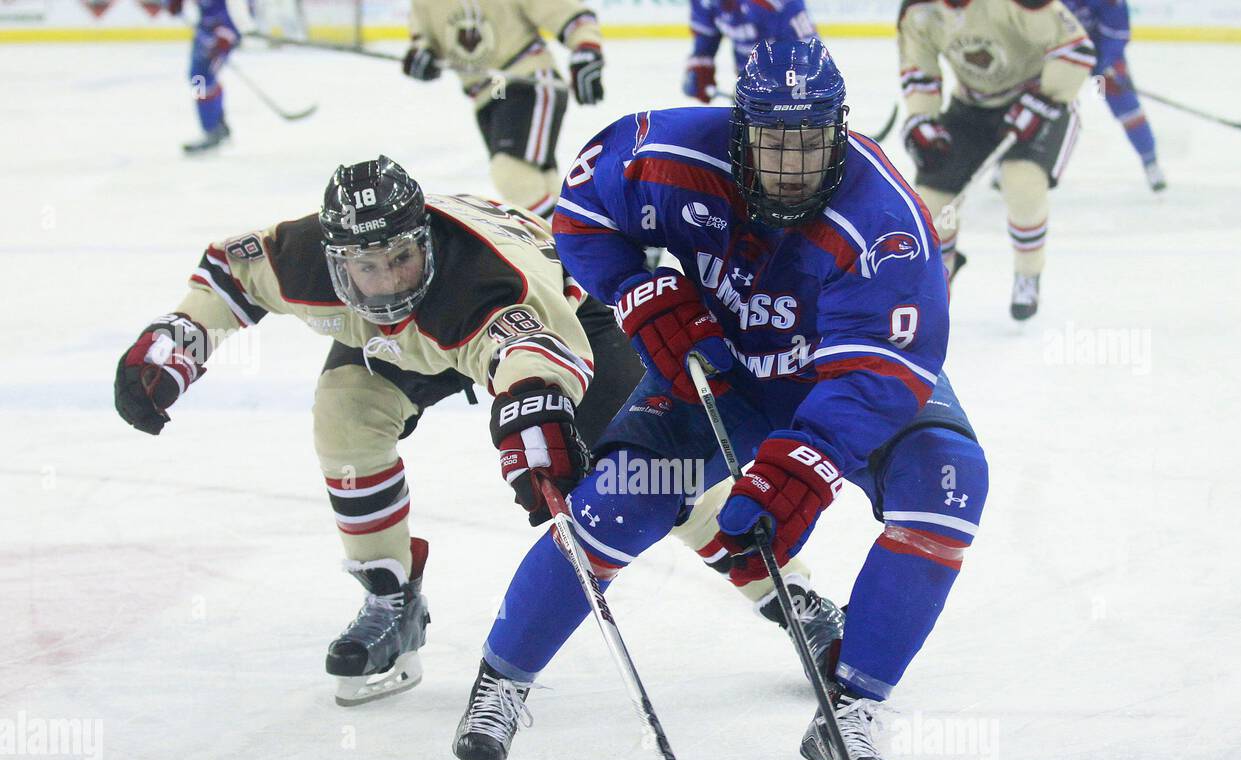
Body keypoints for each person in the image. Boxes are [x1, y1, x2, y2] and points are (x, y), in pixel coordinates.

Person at [455, 40, 989, 760]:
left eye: (811, 143)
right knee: (616, 503)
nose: (792, 165)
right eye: (775, 142)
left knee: (946, 484)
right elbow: (579, 211)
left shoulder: (886, 222)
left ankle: (853, 706)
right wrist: (637, 291)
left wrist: (805, 465)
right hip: (723, 373)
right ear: (741, 131)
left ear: (838, 131)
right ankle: (502, 678)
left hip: (840, 386)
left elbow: (881, 372)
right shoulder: (668, 152)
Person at [113, 157, 838, 705]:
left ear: (424, 239)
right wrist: (180, 337)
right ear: (337, 262)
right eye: (367, 266)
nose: (389, 278)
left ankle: (788, 592)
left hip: (562, 322)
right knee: (345, 409)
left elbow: (533, 351)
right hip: (421, 343)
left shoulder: (488, 279)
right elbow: (227, 271)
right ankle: (391, 599)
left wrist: (532, 409)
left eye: (401, 256)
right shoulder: (301, 255)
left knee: (653, 475)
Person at [898, 0, 1094, 319]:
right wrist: (922, 120)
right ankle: (937, 280)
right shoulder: (919, 10)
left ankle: (1028, 274)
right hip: (971, 108)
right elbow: (920, 72)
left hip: (1039, 99)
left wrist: (1044, 98)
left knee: (1023, 183)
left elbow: (1075, 49)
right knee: (933, 204)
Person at [401, 0, 607, 219]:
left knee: (512, 174)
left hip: (528, 80)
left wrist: (586, 47)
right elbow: (423, 39)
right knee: (540, 182)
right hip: (484, 97)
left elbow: (565, 12)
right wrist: (421, 56)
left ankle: (570, 245)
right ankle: (594, 237)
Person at [1060, 0, 1164, 190]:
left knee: (1126, 106)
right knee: (1037, 103)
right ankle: (1015, 164)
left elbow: (1116, 32)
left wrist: (1106, 66)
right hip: (1060, 57)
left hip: (1101, 60)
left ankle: (1150, 162)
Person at [682, 0, 817, 103]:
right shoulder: (705, 3)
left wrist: (787, 89)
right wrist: (700, 69)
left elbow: (805, 53)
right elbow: (706, 38)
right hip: (748, 87)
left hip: (792, 86)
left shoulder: (776, 4)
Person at [170, 0, 241, 154]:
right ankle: (217, 125)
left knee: (202, 79)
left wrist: (226, 34)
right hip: (206, 30)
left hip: (222, 31)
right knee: (198, 78)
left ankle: (212, 129)